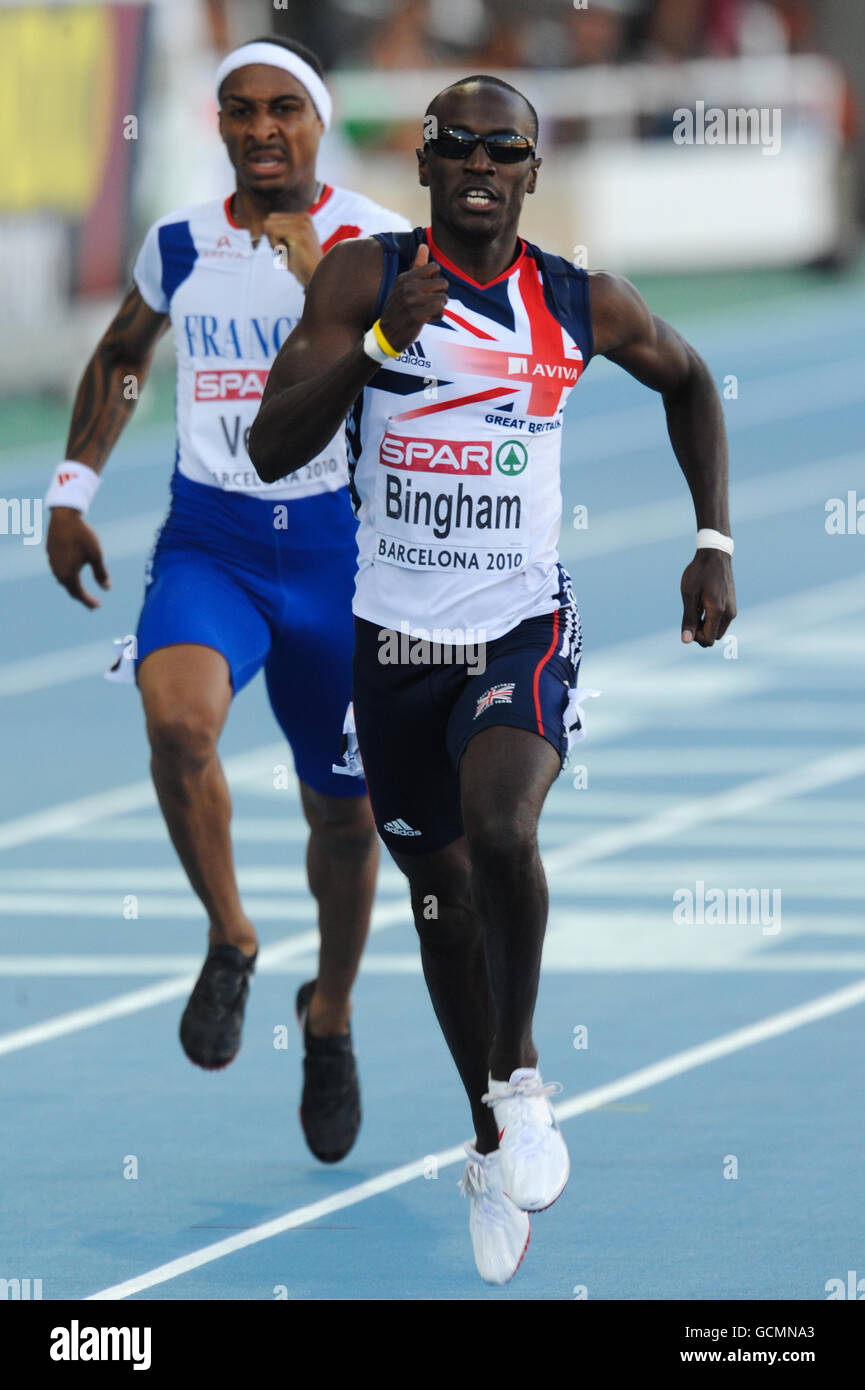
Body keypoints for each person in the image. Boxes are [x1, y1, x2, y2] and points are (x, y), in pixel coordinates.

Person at [248, 74, 736, 1280]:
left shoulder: (576, 302)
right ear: (423, 164)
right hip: (393, 646)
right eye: (456, 143)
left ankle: (518, 1079)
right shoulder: (363, 278)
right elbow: (270, 447)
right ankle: (485, 1137)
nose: (478, 161)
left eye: (502, 148)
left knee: (501, 825)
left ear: (530, 171)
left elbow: (689, 378)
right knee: (442, 901)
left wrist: (712, 540)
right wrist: (375, 347)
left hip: (516, 626)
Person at [45, 37, 412, 1165]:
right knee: (175, 722)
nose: (261, 128)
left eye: (284, 110)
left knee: (344, 820)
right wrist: (70, 489)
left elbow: (420, 387)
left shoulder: (376, 239)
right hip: (211, 538)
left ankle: (332, 1017)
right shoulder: (180, 241)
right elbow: (122, 351)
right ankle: (232, 935)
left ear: (319, 120)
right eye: (241, 110)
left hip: (334, 556)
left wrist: (325, 290)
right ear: (220, 126)